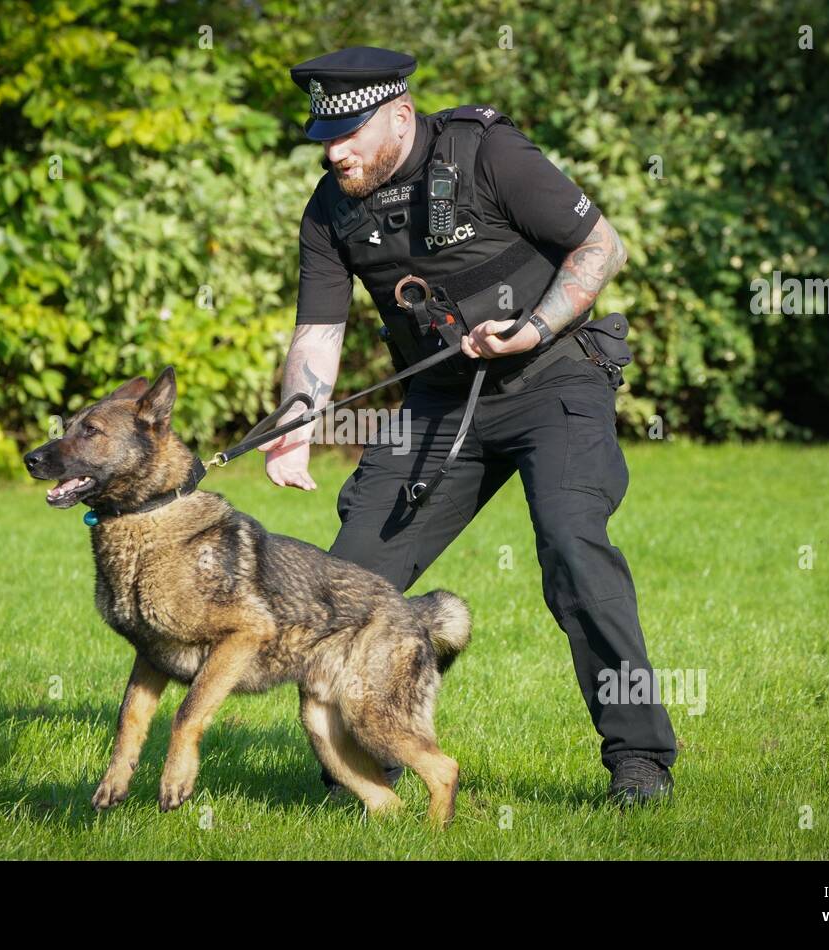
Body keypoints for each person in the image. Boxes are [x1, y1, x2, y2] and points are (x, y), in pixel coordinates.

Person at [258, 46, 677, 807]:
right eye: (324, 132)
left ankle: (640, 762)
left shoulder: (488, 154)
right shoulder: (330, 209)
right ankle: (365, 759)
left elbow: (600, 246)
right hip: (440, 406)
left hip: (555, 378)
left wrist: (536, 327)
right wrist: (296, 421)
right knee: (347, 585)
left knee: (573, 546)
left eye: (350, 131)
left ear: (402, 116)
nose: (334, 148)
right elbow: (318, 334)